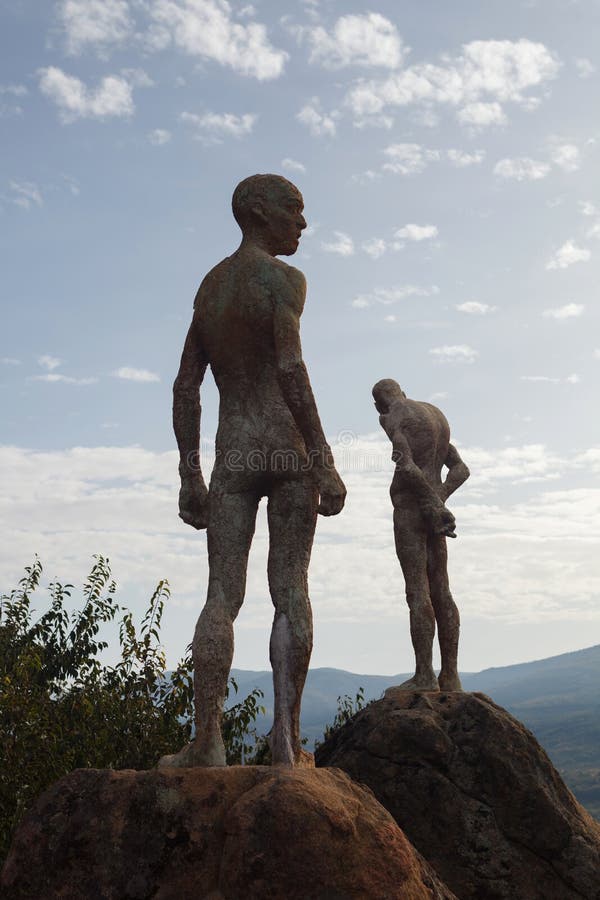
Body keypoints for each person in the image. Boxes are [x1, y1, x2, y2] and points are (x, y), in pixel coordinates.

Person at [163, 174, 346, 768]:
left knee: (222, 594)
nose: (303, 222)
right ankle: (286, 745)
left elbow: (186, 387)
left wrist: (190, 472)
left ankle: (207, 743)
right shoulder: (284, 280)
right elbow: (291, 369)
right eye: (295, 209)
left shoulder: (211, 287)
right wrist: (323, 459)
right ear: (259, 211)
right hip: (288, 450)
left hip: (235, 451)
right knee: (290, 587)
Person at [373, 378, 469, 692]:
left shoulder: (393, 417)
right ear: (403, 391)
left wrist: (429, 503)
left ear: (379, 403)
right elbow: (460, 469)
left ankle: (425, 675)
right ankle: (451, 677)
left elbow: (407, 467)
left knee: (418, 590)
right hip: (433, 511)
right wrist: (439, 500)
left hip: (411, 508)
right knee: (442, 589)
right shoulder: (435, 415)